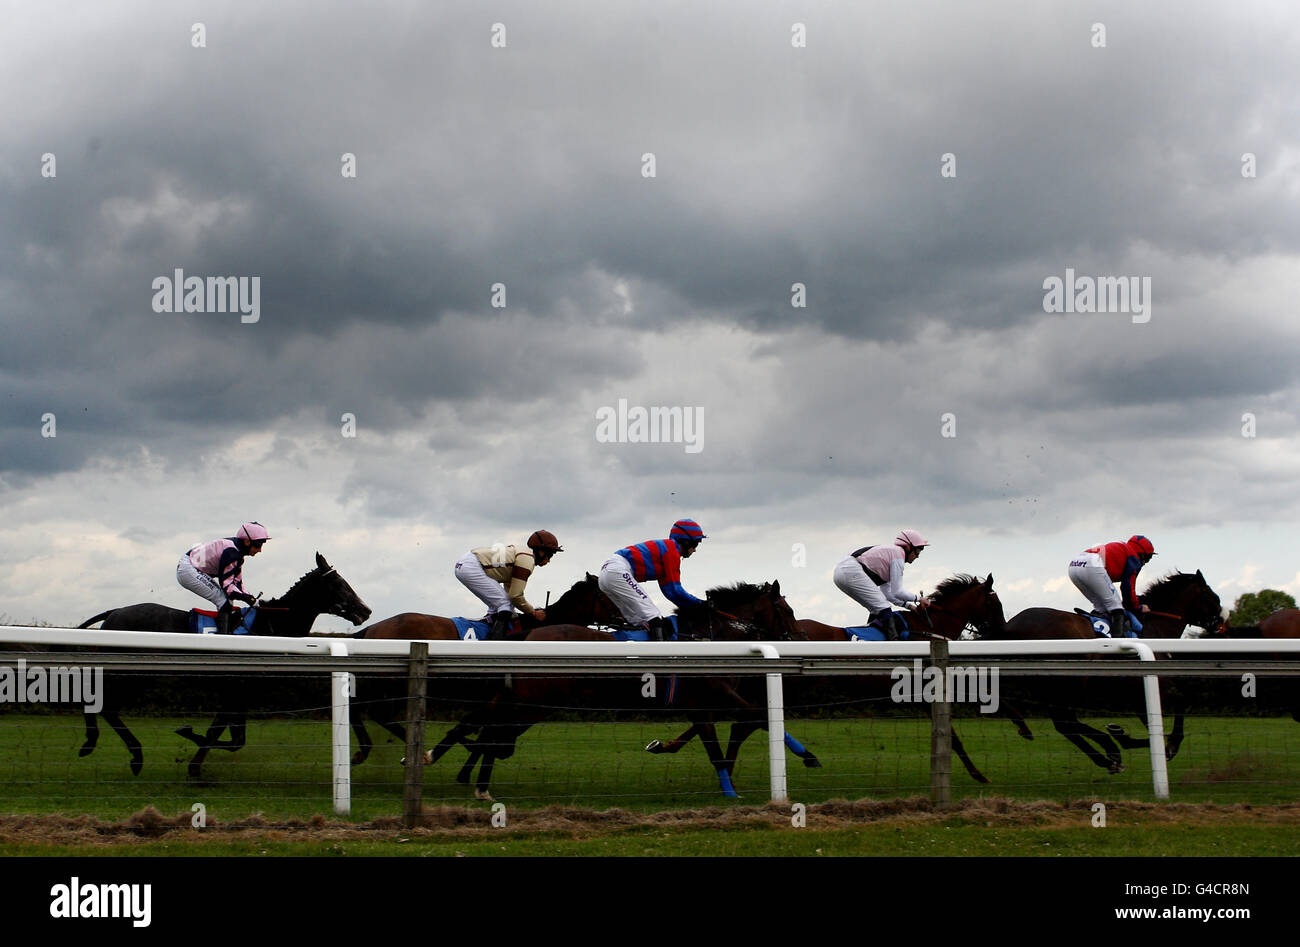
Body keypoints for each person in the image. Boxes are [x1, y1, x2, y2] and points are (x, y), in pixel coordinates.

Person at [598, 519, 707, 641]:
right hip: (617, 571)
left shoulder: (666, 551)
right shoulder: (672, 551)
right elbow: (676, 590)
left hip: (606, 574)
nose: (695, 550)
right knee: (654, 617)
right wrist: (700, 604)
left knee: (639, 621)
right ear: (686, 542)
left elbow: (670, 592)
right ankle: (659, 655)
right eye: (696, 544)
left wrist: (694, 607)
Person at [454, 530, 563, 639]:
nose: (549, 561)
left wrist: (514, 615)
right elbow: (515, 596)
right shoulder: (527, 560)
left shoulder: (523, 554)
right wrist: (533, 613)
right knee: (505, 603)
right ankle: (495, 641)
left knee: (500, 605)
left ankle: (487, 630)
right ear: (541, 552)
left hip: (467, 563)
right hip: (471, 566)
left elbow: (509, 589)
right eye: (550, 555)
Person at [832, 529, 933, 640]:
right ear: (908, 547)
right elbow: (897, 592)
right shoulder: (898, 555)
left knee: (877, 609)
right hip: (850, 570)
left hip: (844, 572)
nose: (917, 556)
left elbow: (888, 593)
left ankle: (868, 638)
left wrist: (909, 606)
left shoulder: (892, 555)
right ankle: (893, 643)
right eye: (918, 551)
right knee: (883, 607)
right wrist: (919, 599)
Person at [177, 522, 270, 634]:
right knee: (224, 601)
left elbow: (237, 584)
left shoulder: (238, 554)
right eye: (258, 545)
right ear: (247, 541)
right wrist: (248, 599)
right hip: (188, 569)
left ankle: (224, 635)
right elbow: (228, 587)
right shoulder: (232, 553)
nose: (260, 550)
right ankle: (224, 641)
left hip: (193, 566)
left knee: (228, 602)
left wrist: (253, 600)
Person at [1068, 535, 1155, 637]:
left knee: (1101, 607)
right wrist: (1138, 607)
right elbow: (1127, 589)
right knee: (1116, 607)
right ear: (1141, 554)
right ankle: (1118, 641)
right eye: (1148, 558)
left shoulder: (1124, 548)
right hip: (1091, 565)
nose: (1145, 563)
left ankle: (1096, 632)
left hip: (1074, 565)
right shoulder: (1134, 558)